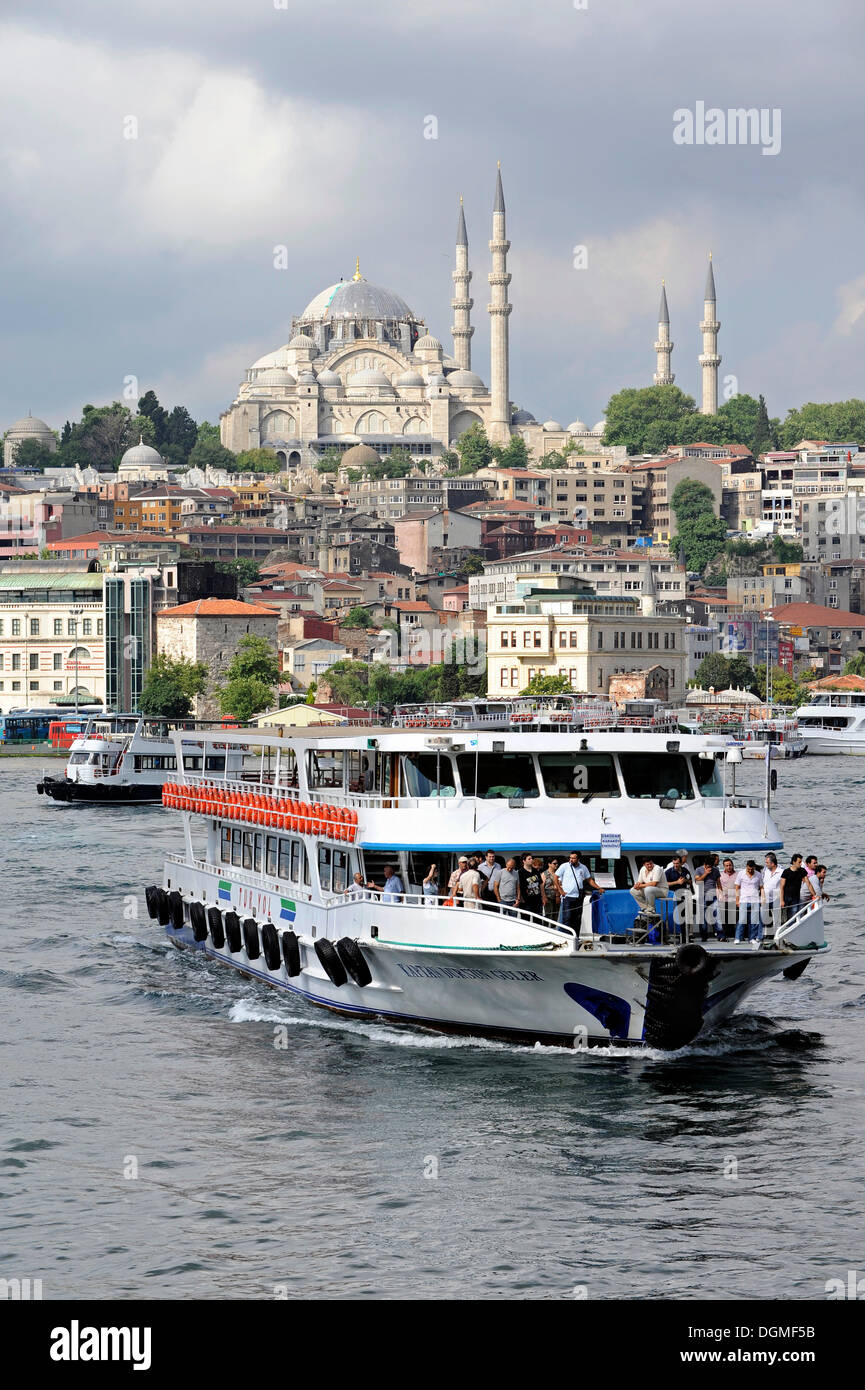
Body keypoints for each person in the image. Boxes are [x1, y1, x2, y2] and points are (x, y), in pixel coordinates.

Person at [554, 852, 604, 933]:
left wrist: (598, 887)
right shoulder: (565, 866)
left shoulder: (583, 868)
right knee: (567, 919)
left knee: (577, 919)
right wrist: (560, 891)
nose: (571, 860)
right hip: (568, 897)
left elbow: (589, 880)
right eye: (570, 858)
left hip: (579, 897)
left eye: (573, 858)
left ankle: (576, 937)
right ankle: (567, 938)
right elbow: (555, 877)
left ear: (578, 859)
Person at [780, 853, 815, 923]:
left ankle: (791, 930)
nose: (801, 864)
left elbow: (808, 883)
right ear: (794, 862)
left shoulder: (802, 871)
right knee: (784, 917)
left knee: (793, 916)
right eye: (799, 862)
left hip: (795, 898)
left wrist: (814, 895)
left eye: (801, 862)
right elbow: (782, 887)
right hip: (786, 897)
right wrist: (781, 900)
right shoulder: (786, 872)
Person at [693, 853, 721, 943]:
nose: (709, 867)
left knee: (718, 915)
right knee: (703, 917)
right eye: (708, 866)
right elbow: (697, 881)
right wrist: (705, 873)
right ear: (705, 864)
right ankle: (704, 936)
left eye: (711, 866)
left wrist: (721, 893)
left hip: (713, 895)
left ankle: (721, 935)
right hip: (702, 895)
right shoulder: (699, 869)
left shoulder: (716, 870)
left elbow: (718, 883)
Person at [735, 859, 764, 946]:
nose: (750, 871)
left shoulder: (758, 875)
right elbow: (737, 887)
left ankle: (752, 938)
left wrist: (763, 898)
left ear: (754, 867)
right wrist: (737, 900)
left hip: (755, 899)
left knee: (754, 921)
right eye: (748, 869)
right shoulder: (741, 873)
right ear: (746, 867)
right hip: (744, 899)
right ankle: (737, 938)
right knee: (742, 919)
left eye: (752, 869)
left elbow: (761, 887)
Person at [665, 853, 693, 935]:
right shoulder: (669, 872)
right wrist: (677, 882)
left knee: (684, 916)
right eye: (674, 863)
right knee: (675, 916)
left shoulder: (685, 871)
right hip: (673, 896)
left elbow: (690, 881)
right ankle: (674, 933)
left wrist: (685, 880)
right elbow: (665, 884)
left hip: (684, 895)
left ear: (681, 863)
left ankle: (685, 935)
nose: (675, 865)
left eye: (677, 863)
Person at [517, 853, 544, 918]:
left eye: (531, 858)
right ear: (524, 861)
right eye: (529, 859)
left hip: (537, 900)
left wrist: (543, 897)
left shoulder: (536, 871)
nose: (531, 860)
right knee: (526, 919)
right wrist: (520, 897)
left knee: (538, 919)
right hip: (526, 901)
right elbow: (518, 887)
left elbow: (541, 884)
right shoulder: (520, 872)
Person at [718, 857, 738, 938]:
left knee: (734, 919)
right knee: (724, 919)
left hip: (734, 899)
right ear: (724, 866)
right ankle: (726, 935)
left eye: (730, 865)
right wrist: (720, 895)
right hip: (724, 899)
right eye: (726, 865)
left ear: (732, 865)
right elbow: (719, 886)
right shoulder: (721, 875)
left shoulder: (738, 874)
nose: (728, 867)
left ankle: (734, 935)